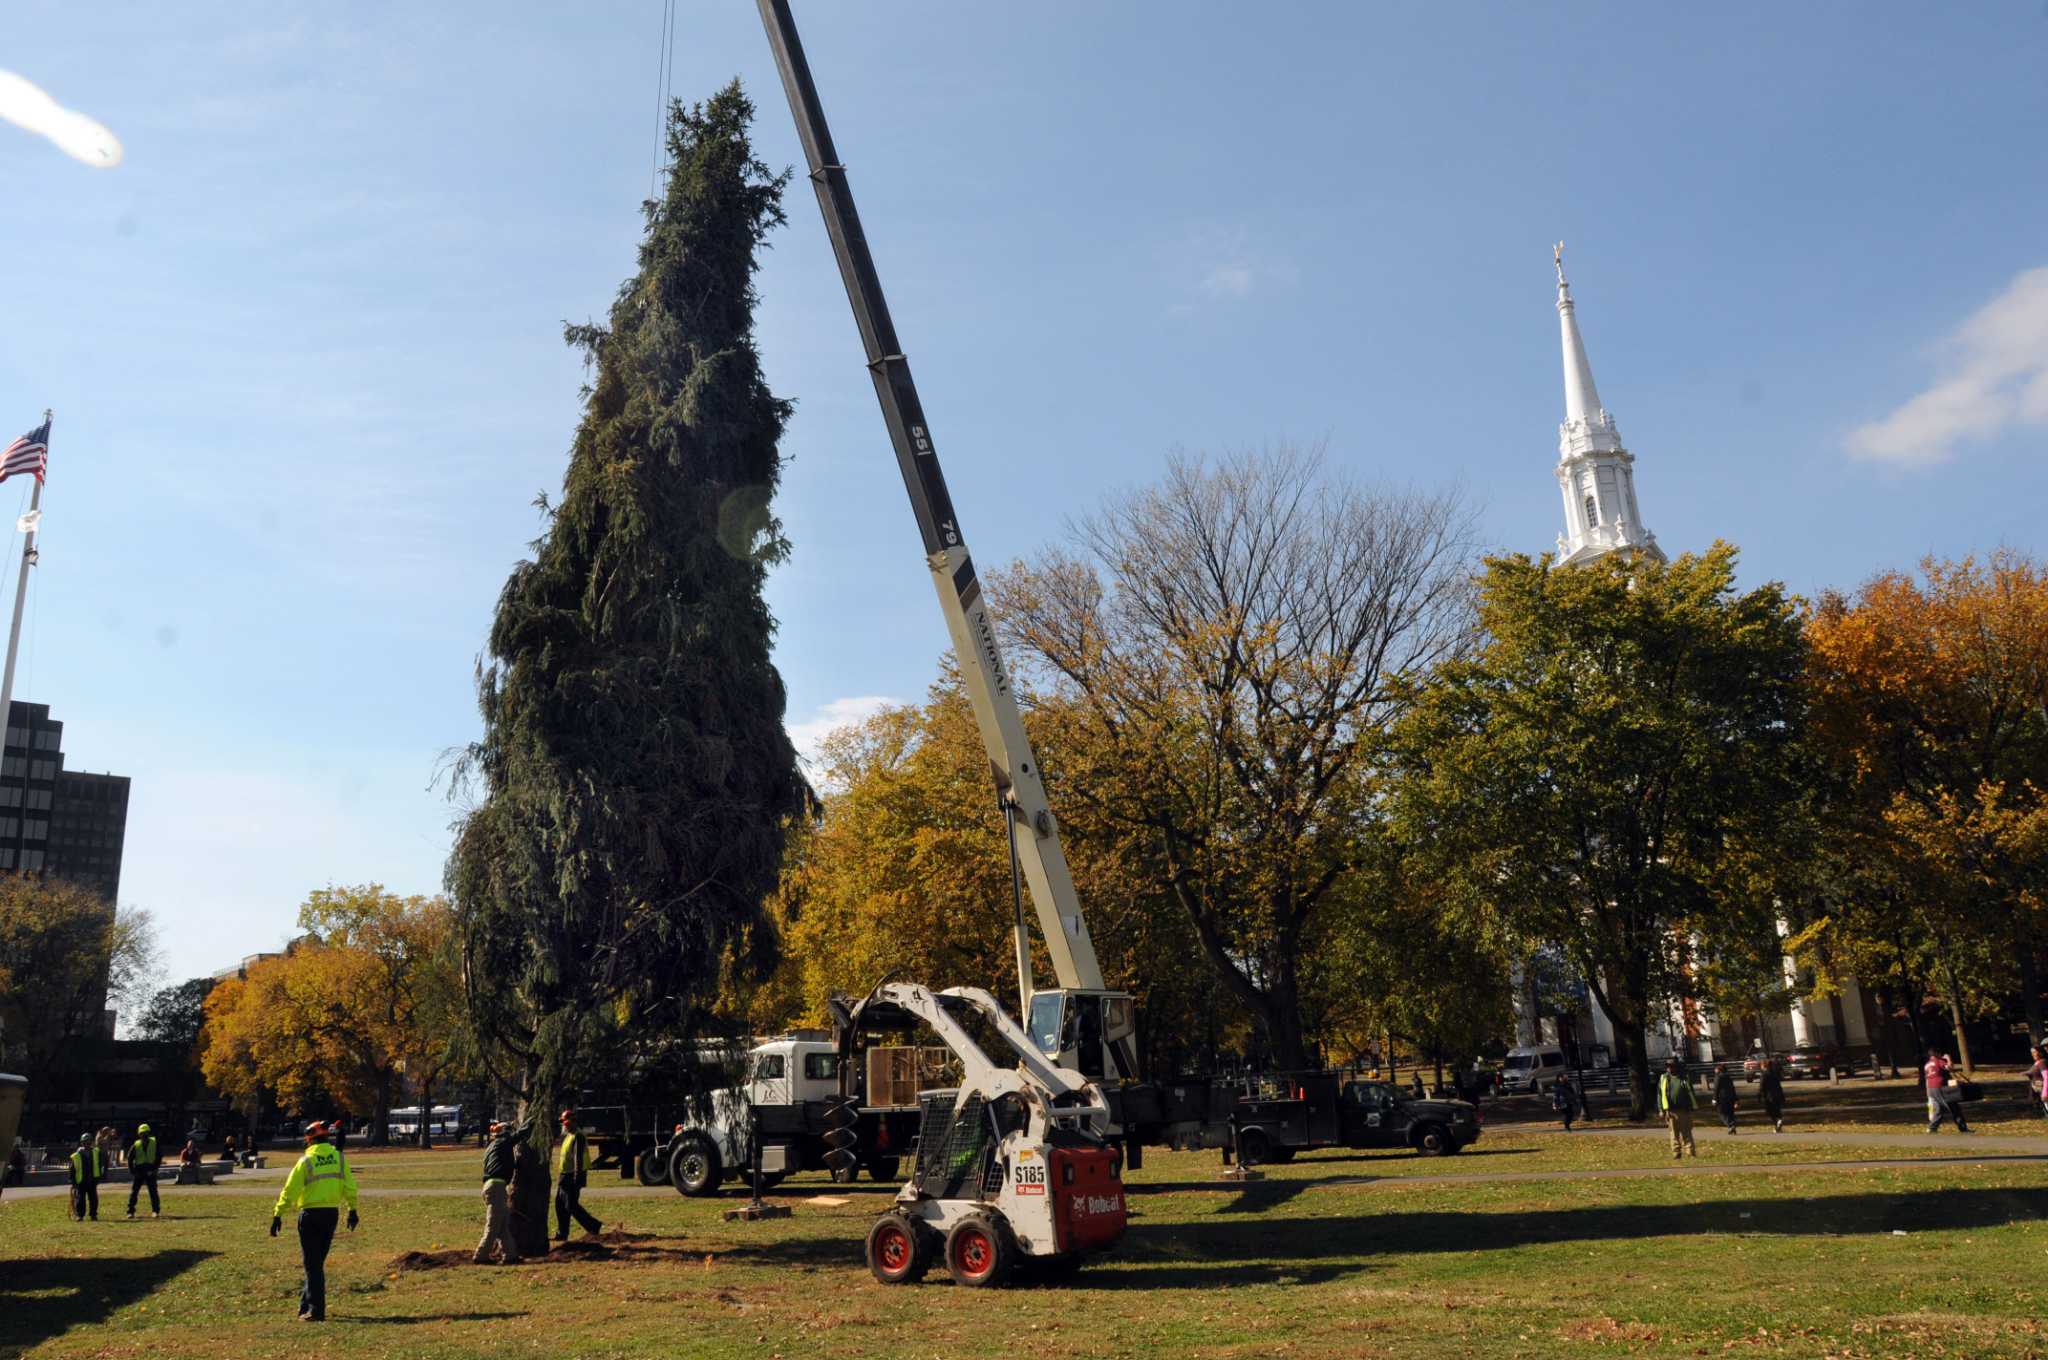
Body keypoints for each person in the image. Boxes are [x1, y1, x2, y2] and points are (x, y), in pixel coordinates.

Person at [270, 1120, 360, 1322]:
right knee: (316, 1263)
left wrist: (278, 1214)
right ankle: (305, 1306)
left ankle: (316, 1311)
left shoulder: (305, 1161)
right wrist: (352, 1209)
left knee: (312, 1265)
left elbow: (290, 1190)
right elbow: (350, 1186)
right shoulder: (339, 1158)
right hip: (331, 1214)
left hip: (310, 1215)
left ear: (310, 1139)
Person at [553, 1110, 604, 1242]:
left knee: (571, 1206)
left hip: (573, 1176)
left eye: (564, 1121)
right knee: (560, 1204)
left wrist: (577, 1178)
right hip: (564, 1175)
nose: (563, 1124)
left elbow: (578, 1159)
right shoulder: (569, 1136)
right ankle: (562, 1233)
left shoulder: (578, 1137)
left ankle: (593, 1226)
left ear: (570, 1121)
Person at [476, 1120, 522, 1265]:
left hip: (492, 1187)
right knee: (493, 1225)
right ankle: (481, 1255)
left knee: (502, 1225)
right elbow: (519, 1135)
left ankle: (510, 1255)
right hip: (496, 1187)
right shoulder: (503, 1142)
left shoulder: (491, 1147)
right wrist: (532, 1123)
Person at [1658, 1057, 1698, 1158]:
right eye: (1668, 1066)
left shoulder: (1684, 1078)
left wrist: (1693, 1107)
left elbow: (1690, 1092)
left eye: (1672, 1066)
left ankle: (1690, 1151)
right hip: (1670, 1111)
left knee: (1686, 1132)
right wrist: (1661, 1109)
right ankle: (1676, 1152)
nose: (1669, 1069)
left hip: (1684, 1110)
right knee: (1673, 1133)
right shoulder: (1664, 1078)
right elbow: (1659, 1095)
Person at [1924, 1049, 1971, 1134]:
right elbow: (1950, 1067)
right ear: (1936, 1053)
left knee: (1939, 1110)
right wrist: (1948, 1058)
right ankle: (1963, 1128)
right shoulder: (1939, 1061)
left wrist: (1928, 1092)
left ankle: (1932, 1128)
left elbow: (1928, 1078)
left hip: (1931, 1089)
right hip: (1940, 1088)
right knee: (1954, 1107)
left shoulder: (1927, 1065)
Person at [126, 1122, 163, 1218]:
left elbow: (159, 1157)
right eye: (142, 1133)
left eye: (146, 1133)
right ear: (139, 1134)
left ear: (149, 1133)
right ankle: (130, 1211)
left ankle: (155, 1211)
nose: (144, 1135)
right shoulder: (136, 1145)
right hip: (139, 1170)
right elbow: (130, 1158)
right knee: (134, 1192)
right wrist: (133, 1171)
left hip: (151, 1169)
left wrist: (155, 1169)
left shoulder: (154, 1143)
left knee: (153, 1192)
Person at [68, 1133, 103, 1221]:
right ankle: (80, 1215)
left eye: (89, 1142)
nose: (87, 1144)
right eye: (85, 1142)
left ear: (91, 1142)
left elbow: (99, 1165)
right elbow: (72, 1169)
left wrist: (99, 1177)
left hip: (92, 1180)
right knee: (80, 1199)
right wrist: (73, 1181)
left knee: (93, 1199)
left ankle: (93, 1215)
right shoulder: (76, 1155)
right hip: (81, 1181)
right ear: (82, 1143)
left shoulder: (96, 1152)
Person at [1757, 1056, 1785, 1133]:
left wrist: (1759, 1095)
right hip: (1777, 1094)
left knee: (1770, 1111)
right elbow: (1779, 1085)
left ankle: (1777, 1123)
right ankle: (1779, 1123)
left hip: (1769, 1096)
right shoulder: (1774, 1074)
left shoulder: (1764, 1075)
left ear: (1764, 1066)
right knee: (1777, 1110)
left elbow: (1762, 1086)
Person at [1712, 1065, 1739, 1135]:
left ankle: (1730, 1125)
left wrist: (1714, 1099)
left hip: (1722, 1098)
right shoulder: (1728, 1077)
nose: (1714, 1070)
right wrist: (1735, 1098)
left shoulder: (1718, 1077)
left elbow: (1716, 1089)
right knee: (1730, 1112)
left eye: (1716, 1069)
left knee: (1721, 1113)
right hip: (1730, 1097)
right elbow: (1733, 1088)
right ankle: (1732, 1125)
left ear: (1719, 1070)